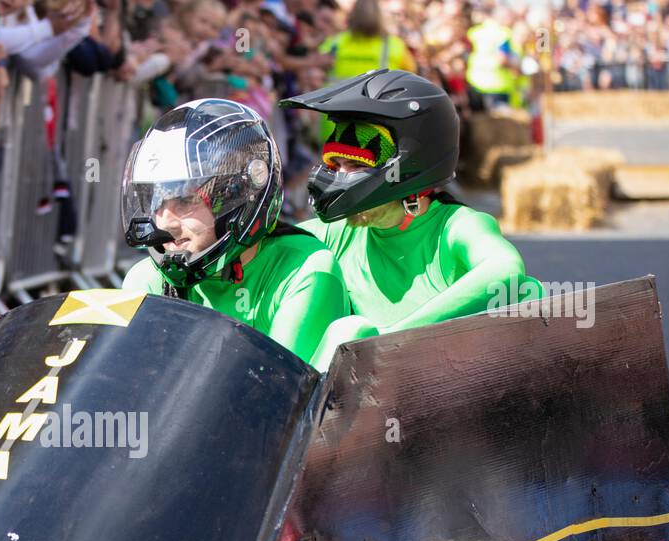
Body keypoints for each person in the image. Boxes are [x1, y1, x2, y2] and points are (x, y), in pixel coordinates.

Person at [283, 68, 540, 372]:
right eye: (334, 164)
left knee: (529, 292)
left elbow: (505, 269)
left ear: (406, 165)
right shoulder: (332, 234)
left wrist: (390, 339)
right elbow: (269, 250)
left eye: (354, 164)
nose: (337, 177)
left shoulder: (455, 226)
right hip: (351, 406)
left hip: (442, 395)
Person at [120, 98, 350, 366]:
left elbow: (279, 397)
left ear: (240, 198)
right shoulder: (145, 280)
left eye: (184, 201)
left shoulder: (305, 271)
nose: (165, 223)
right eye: (156, 202)